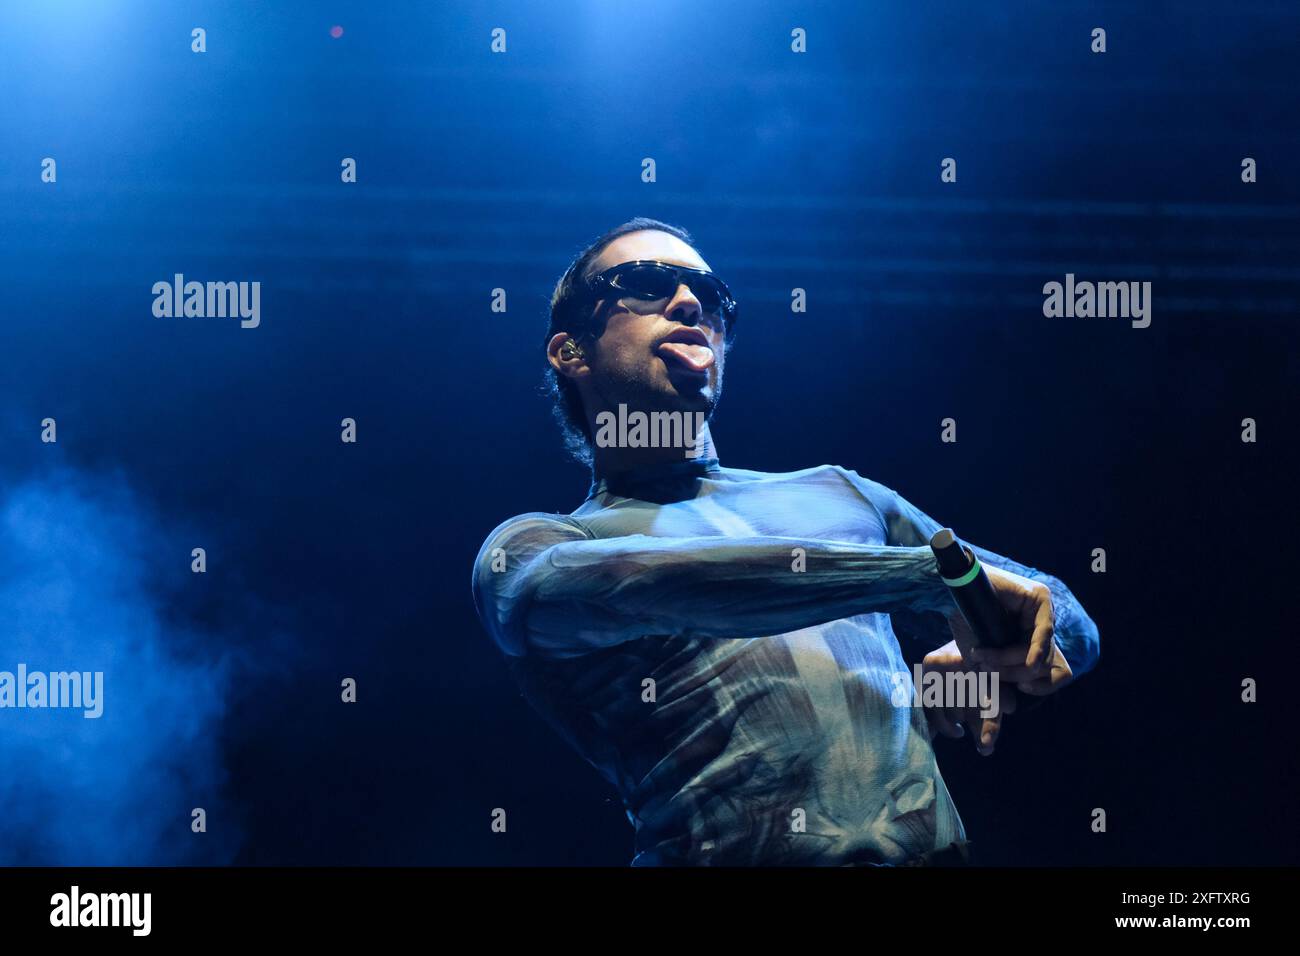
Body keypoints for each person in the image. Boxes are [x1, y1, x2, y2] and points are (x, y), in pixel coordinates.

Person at [471, 217, 1100, 866]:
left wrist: (990, 648)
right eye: (649, 284)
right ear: (570, 351)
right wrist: (933, 579)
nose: (690, 303)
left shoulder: (840, 491)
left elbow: (1059, 615)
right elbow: (642, 584)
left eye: (708, 295)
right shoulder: (534, 548)